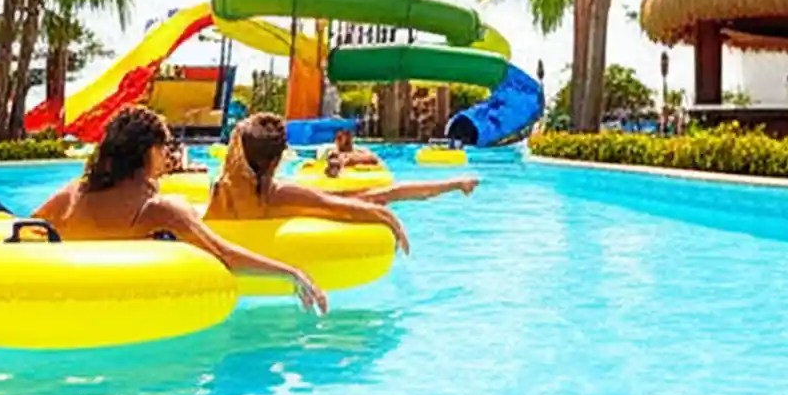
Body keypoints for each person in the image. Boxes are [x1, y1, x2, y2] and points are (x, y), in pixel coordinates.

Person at [32, 106, 327, 313]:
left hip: (69, 304)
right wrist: (291, 272)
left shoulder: (72, 193)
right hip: (134, 312)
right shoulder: (159, 210)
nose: (169, 155)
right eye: (165, 148)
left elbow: (27, 228)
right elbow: (224, 254)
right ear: (150, 152)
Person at [212, 114, 478, 225]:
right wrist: (387, 219)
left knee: (379, 193)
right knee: (379, 195)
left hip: (306, 204)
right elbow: (342, 206)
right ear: (279, 158)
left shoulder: (221, 189)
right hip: (309, 206)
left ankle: (455, 183)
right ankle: (456, 183)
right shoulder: (279, 193)